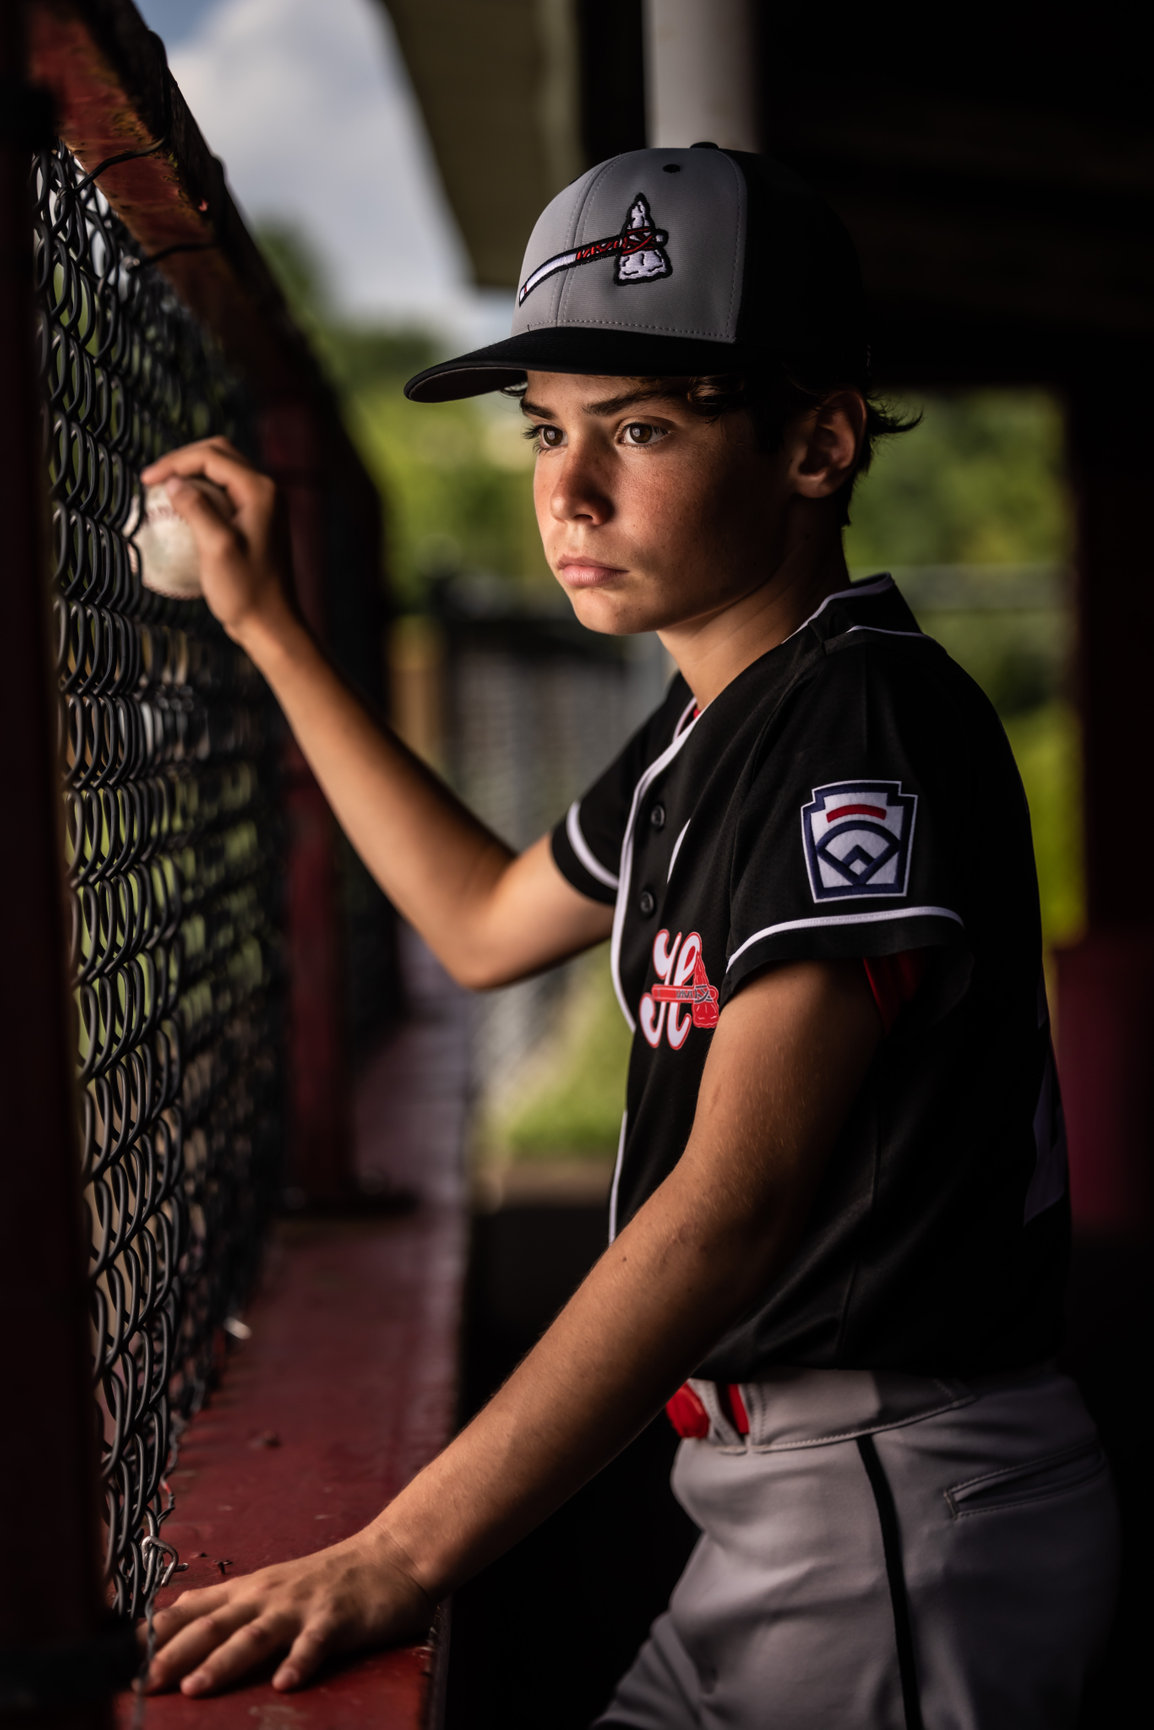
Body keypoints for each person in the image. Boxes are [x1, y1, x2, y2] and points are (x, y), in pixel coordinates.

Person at [140, 146, 1117, 1727]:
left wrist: (399, 1555)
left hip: (889, 1503)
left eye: (640, 429)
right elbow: (473, 921)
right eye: (545, 429)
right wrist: (264, 624)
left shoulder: (854, 716)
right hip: (782, 1506)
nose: (564, 491)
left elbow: (726, 1211)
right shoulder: (705, 728)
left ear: (817, 442)